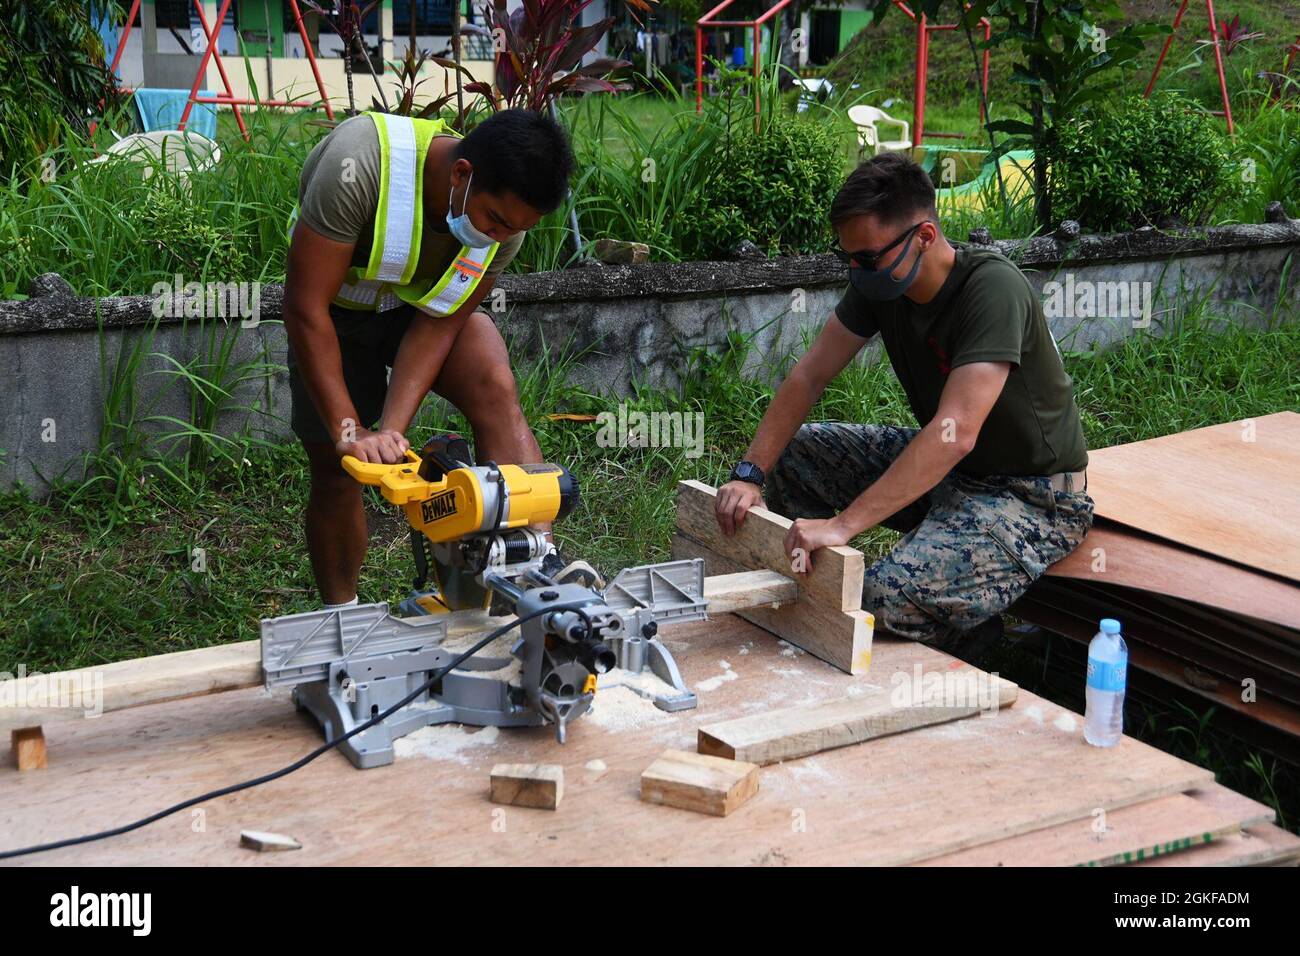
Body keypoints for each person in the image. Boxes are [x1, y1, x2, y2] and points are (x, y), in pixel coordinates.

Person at [713, 151, 1094, 656]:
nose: (856, 269)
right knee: (795, 454)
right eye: (847, 257)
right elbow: (809, 376)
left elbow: (955, 430)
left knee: (882, 598)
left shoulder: (992, 289)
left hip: (1031, 496)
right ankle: (819, 568)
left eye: (867, 257)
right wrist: (749, 473)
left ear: (925, 236)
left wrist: (845, 523)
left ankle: (975, 631)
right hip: (951, 473)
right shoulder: (883, 284)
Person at [283, 108, 574, 608]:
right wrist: (353, 435)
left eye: (514, 228)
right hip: (334, 313)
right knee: (337, 469)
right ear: (462, 175)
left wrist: (391, 435)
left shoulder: (504, 228)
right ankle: (341, 618)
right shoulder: (359, 166)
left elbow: (441, 321)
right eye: (497, 220)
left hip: (418, 310)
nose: (501, 236)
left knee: (494, 387)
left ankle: (532, 567)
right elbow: (304, 307)